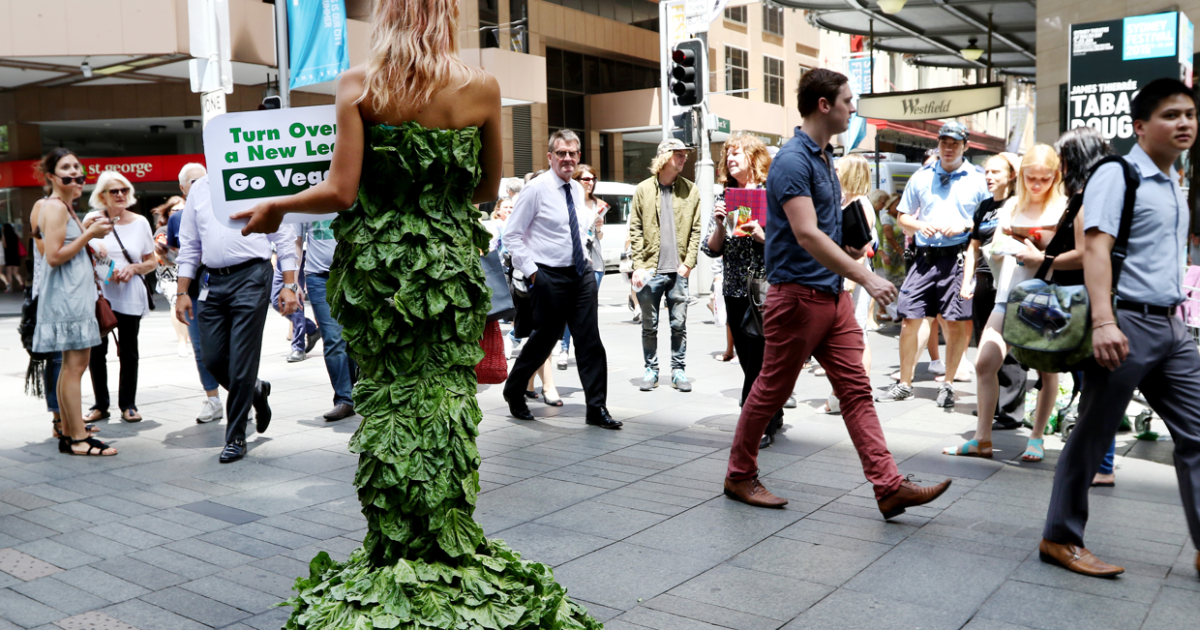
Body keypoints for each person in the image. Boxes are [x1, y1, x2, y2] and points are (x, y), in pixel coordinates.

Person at [230, 2, 604, 625]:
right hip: (448, 269)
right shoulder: (481, 86)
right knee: (446, 392)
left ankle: (396, 539)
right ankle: (446, 530)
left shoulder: (359, 86)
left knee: (388, 397)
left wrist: (276, 209)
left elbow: (341, 192)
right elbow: (487, 188)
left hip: (381, 274)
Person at [723, 68, 950, 515]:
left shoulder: (826, 159)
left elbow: (818, 232)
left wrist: (848, 248)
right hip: (796, 297)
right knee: (771, 388)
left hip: (831, 297)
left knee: (857, 390)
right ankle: (739, 475)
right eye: (847, 101)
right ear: (824, 104)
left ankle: (888, 486)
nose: (852, 108)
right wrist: (865, 275)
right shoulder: (792, 159)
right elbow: (806, 234)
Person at [1040, 78, 1200, 579]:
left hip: (1172, 327)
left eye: (1190, 114)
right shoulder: (1119, 173)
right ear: (1140, 126)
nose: (1185, 123)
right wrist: (1105, 321)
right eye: (1171, 115)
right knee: (1092, 434)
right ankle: (1060, 538)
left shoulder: (1174, 181)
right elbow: (1096, 249)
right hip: (1125, 321)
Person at [944, 145, 1067, 460]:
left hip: (1044, 298)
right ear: (1022, 176)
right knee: (986, 362)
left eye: (1044, 178)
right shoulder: (1013, 203)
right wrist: (1009, 243)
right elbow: (993, 245)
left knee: (1046, 371)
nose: (1037, 184)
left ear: (1056, 177)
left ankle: (1036, 438)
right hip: (1007, 295)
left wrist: (1041, 252)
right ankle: (982, 439)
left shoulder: (1063, 207)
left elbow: (1072, 257)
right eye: (1031, 177)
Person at [501, 131, 621, 428]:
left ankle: (596, 408)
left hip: (580, 275)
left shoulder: (577, 190)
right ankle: (514, 390)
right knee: (544, 340)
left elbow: (576, 230)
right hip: (548, 276)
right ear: (550, 157)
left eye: (573, 153)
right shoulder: (536, 189)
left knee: (590, 341)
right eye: (561, 153)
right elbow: (512, 235)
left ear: (579, 157)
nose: (567, 158)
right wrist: (533, 273)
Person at [175, 176, 298, 463]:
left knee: (243, 358)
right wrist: (182, 291)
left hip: (252, 276)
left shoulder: (258, 181)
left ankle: (236, 436)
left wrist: (289, 285)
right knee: (212, 359)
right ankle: (256, 390)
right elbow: (190, 244)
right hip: (211, 281)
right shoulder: (200, 189)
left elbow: (283, 237)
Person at [877, 122, 988, 407]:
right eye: (943, 143)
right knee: (909, 321)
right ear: (938, 145)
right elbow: (902, 217)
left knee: (952, 325)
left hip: (959, 257)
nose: (948, 148)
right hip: (924, 258)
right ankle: (904, 383)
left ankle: (948, 384)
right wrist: (920, 224)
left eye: (954, 143)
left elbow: (989, 221)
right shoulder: (921, 176)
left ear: (965, 146)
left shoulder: (977, 179)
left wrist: (964, 224)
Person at [31, 148, 117, 456]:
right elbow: (52, 256)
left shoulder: (63, 208)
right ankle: (78, 437)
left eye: (77, 166)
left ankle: (70, 433)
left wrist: (88, 234)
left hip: (73, 297)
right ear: (52, 176)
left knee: (71, 366)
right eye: (66, 167)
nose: (75, 172)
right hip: (67, 299)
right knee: (75, 366)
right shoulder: (54, 207)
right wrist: (90, 233)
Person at [702, 132, 786, 447]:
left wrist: (764, 235)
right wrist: (721, 225)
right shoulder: (725, 196)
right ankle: (772, 413)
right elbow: (711, 250)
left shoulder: (771, 193)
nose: (730, 159)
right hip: (735, 288)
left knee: (760, 358)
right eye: (728, 155)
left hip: (766, 286)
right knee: (747, 358)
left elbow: (790, 241)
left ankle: (753, 422)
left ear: (753, 156)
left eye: (736, 153)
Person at [960, 152, 1028, 431]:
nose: (989, 177)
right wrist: (967, 281)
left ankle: (1011, 412)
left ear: (1011, 175)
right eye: (987, 172)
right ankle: (993, 403)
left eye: (996, 172)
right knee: (985, 343)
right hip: (985, 281)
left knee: (1009, 348)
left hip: (1011, 281)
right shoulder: (984, 206)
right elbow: (973, 247)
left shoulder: (1018, 205)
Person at [83, 172, 157, 424]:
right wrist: (107, 271)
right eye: (114, 191)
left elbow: (151, 261)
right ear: (101, 195)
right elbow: (81, 255)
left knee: (128, 351)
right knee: (96, 351)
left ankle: (128, 404)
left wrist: (132, 269)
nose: (120, 195)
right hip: (99, 294)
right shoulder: (91, 220)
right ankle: (100, 405)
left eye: (124, 190)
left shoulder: (140, 223)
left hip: (129, 294)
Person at [630, 138, 702, 392]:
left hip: (679, 270)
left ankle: (678, 370)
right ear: (663, 157)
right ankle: (651, 369)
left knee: (678, 325)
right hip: (650, 270)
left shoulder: (691, 190)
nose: (684, 158)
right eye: (678, 154)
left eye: (685, 154)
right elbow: (635, 229)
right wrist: (638, 264)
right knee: (649, 326)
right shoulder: (643, 190)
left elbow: (696, 230)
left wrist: (689, 263)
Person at [822, 154, 876, 415]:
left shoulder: (860, 204)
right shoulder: (849, 201)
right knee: (851, 337)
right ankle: (846, 394)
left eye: (838, 167)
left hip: (852, 277)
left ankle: (852, 395)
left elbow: (864, 248)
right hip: (847, 276)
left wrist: (851, 281)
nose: (833, 170)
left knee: (857, 336)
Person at [170, 163, 224, 424]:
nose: (200, 185)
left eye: (204, 180)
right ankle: (212, 399)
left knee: (233, 348)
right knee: (202, 349)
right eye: (193, 182)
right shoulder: (177, 218)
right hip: (194, 292)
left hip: (225, 287)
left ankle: (244, 394)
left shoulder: (223, 210)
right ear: (182, 188)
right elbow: (176, 253)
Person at [300, 219, 357, 421]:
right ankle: (344, 399)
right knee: (333, 337)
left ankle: (353, 390)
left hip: (352, 273)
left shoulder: (347, 192)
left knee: (352, 336)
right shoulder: (304, 198)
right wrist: (292, 282)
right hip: (318, 277)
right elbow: (296, 241)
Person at [557, 164, 608, 370]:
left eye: (593, 179)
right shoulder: (568, 203)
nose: (590, 183)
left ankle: (587, 351)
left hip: (595, 262)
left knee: (588, 309)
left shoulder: (600, 205)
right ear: (576, 181)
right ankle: (564, 347)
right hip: (573, 262)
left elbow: (599, 237)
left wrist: (599, 228)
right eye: (585, 179)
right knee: (571, 308)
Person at [152, 196, 191, 357]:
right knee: (176, 302)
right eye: (175, 210)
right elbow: (159, 255)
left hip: (189, 274)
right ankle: (181, 341)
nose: (179, 213)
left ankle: (189, 336)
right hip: (169, 274)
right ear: (168, 213)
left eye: (182, 210)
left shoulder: (193, 227)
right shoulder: (163, 231)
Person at [2, 223, 25, 292]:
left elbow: (5, 246)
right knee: (16, 273)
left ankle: (10, 288)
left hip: (8, 256)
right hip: (16, 255)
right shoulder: (15, 236)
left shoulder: (4, 236)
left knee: (9, 273)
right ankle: (22, 284)